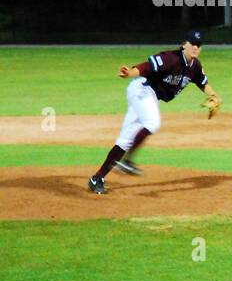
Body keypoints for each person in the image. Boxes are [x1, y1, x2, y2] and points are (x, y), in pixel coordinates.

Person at [87, 31, 220, 194]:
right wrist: (130, 73)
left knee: (125, 139)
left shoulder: (195, 66)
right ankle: (128, 161)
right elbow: (146, 67)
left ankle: (97, 178)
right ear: (184, 44)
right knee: (152, 122)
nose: (195, 47)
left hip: (149, 97)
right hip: (142, 89)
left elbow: (202, 82)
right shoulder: (171, 58)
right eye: (192, 43)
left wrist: (213, 95)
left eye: (198, 45)